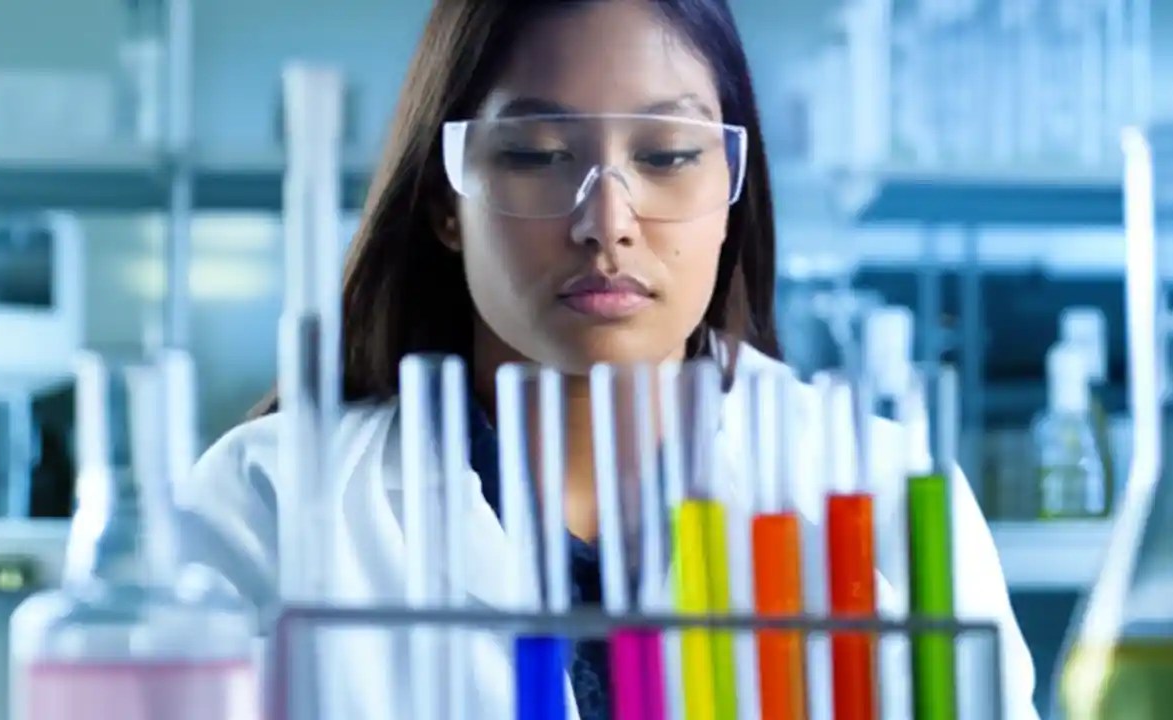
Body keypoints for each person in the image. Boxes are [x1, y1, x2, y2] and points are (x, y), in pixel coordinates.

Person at [179, 0, 1040, 718]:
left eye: (667, 156)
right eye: (538, 156)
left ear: (730, 194)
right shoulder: (271, 503)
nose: (607, 221)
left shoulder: (883, 489)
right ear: (448, 202)